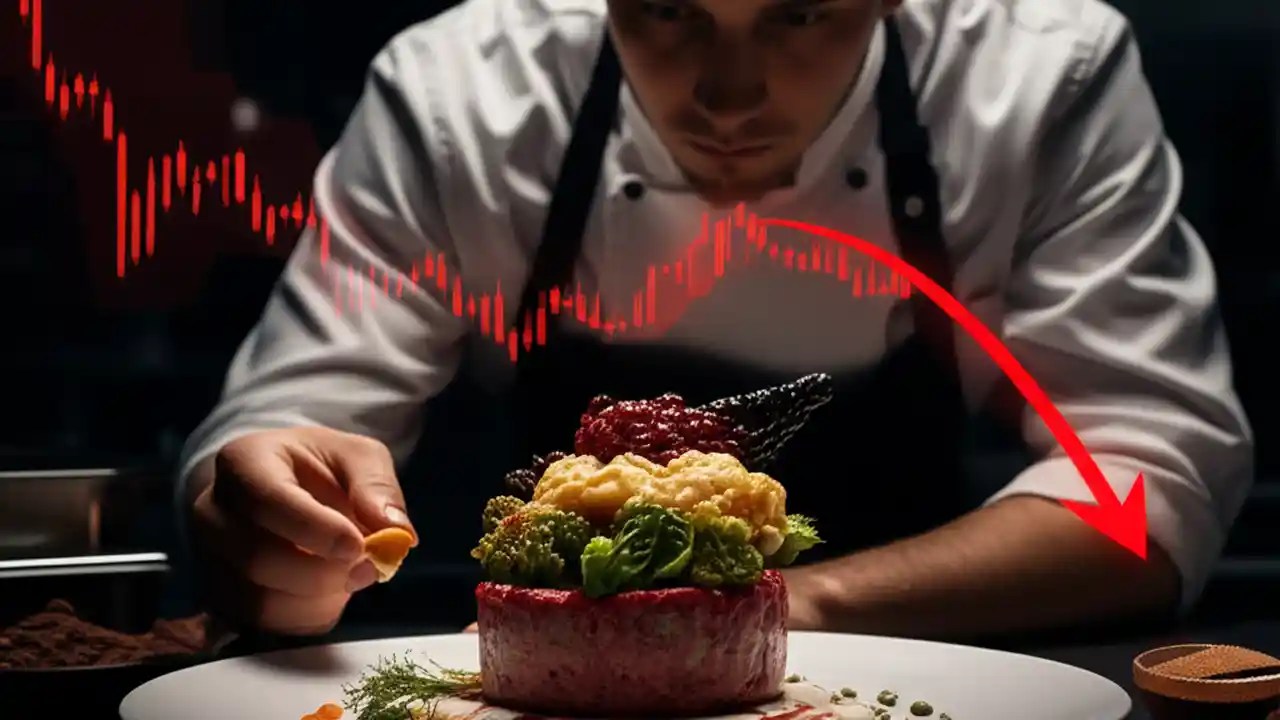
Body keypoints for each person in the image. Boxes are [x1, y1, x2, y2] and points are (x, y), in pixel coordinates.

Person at [178, 0, 1255, 640]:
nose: (728, 97)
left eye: (799, 12)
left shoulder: (1042, 76)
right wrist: (276, 535)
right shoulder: (458, 95)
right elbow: (286, 422)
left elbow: (1147, 487)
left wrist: (794, 606)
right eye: (666, 10)